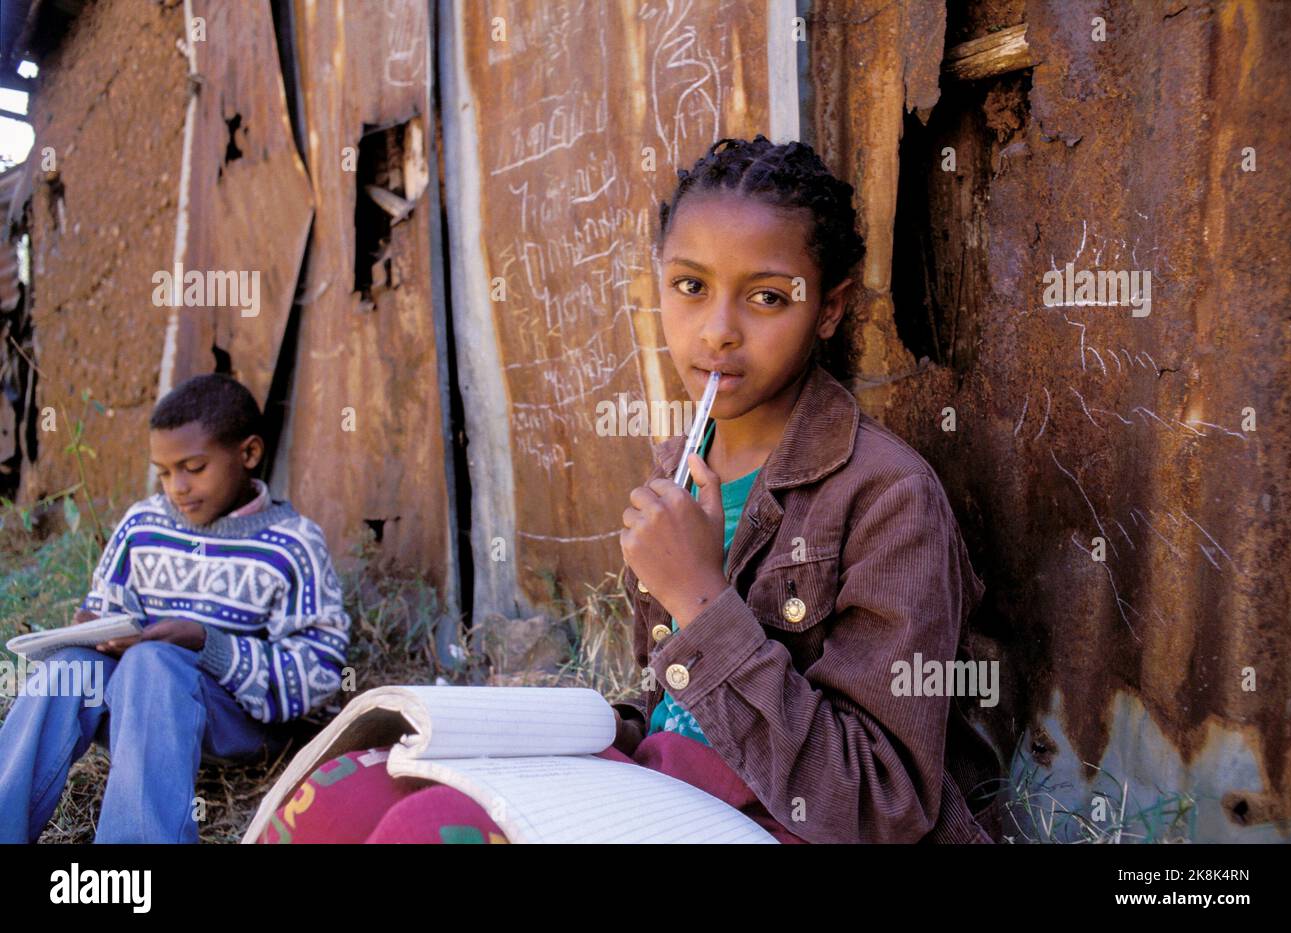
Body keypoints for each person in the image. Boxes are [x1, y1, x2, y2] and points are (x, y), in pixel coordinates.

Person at [256, 134, 1000, 844]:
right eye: (690, 286)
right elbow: (672, 708)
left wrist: (701, 598)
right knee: (334, 796)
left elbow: (882, 802)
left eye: (767, 298)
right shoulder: (681, 464)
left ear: (828, 308)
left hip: (775, 819)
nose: (717, 330)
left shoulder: (888, 498)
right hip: (666, 783)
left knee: (430, 832)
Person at [0, 373, 351, 843]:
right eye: (164, 472)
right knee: (70, 667)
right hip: (138, 707)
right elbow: (108, 606)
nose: (176, 488)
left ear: (248, 454)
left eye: (193, 467)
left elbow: (320, 678)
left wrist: (209, 645)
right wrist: (96, 630)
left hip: (234, 724)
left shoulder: (292, 545)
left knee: (155, 661)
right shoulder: (143, 526)